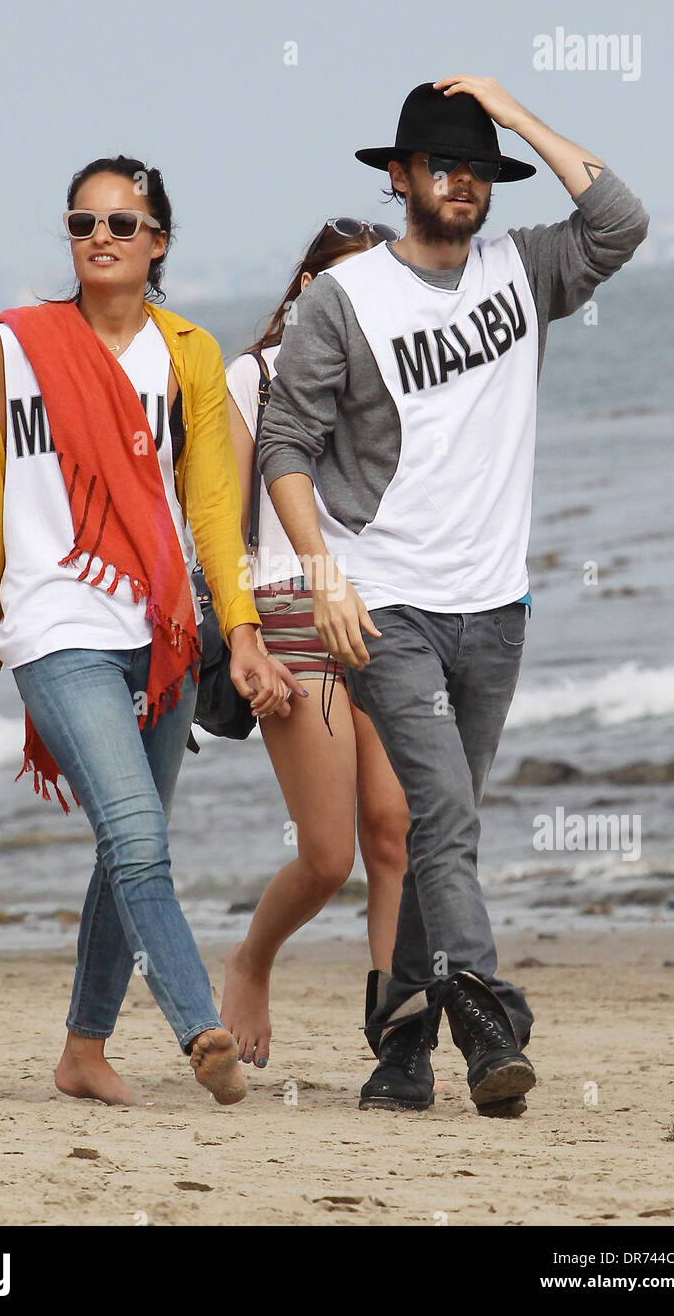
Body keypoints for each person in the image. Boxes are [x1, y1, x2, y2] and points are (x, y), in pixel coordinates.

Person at [257, 76, 649, 1116]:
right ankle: (481, 1012)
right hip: (382, 603)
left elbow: (619, 217)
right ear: (399, 178)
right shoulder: (346, 300)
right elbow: (283, 445)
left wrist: (517, 114)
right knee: (441, 814)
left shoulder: (521, 272)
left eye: (478, 166)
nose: (461, 180)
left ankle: (396, 1050)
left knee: (443, 825)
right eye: (441, 163)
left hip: (495, 606)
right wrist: (321, 574)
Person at [0, 155, 303, 1108]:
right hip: (54, 621)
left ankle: (82, 1053)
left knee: (128, 849)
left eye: (122, 225)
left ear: (158, 242)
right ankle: (197, 1026)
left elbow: (211, 507)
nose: (100, 239)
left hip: (163, 629)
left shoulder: (187, 356)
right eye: (83, 223)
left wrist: (241, 633)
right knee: (136, 834)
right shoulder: (9, 348)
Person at [221, 220, 411, 1075]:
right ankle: (251, 960)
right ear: (304, 289)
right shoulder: (251, 380)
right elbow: (220, 532)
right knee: (330, 854)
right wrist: (245, 642)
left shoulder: (393, 384)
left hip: (386, 619)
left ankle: (400, 1038)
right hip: (292, 618)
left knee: (395, 832)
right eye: (338, 284)